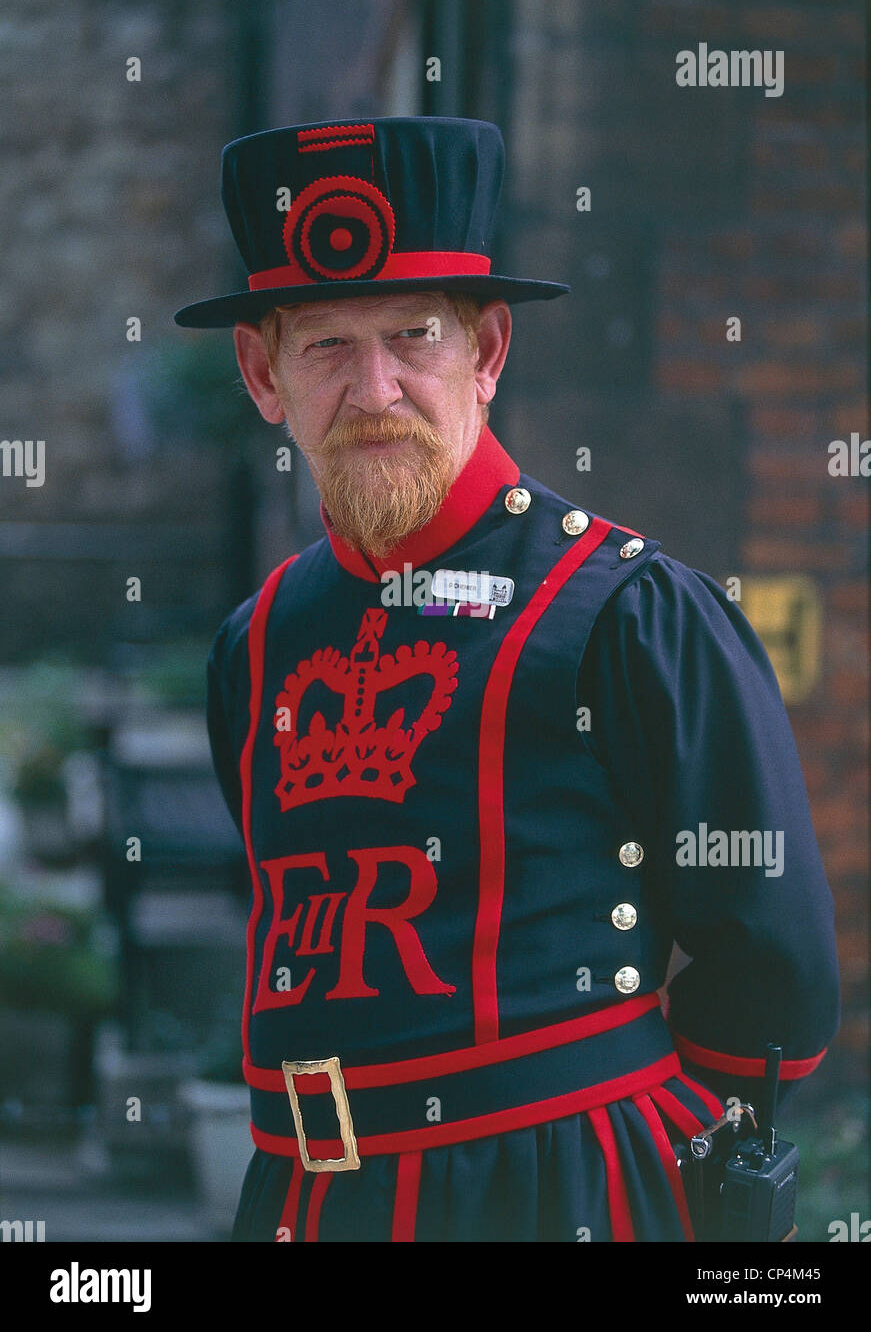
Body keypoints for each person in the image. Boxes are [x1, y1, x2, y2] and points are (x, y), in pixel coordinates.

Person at [176, 117, 840, 1242]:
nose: (373, 385)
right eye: (326, 345)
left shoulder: (634, 610)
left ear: (485, 354)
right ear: (262, 374)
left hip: (564, 1193)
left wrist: (656, 1169)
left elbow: (774, 966)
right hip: (299, 1201)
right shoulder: (256, 643)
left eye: (413, 334)